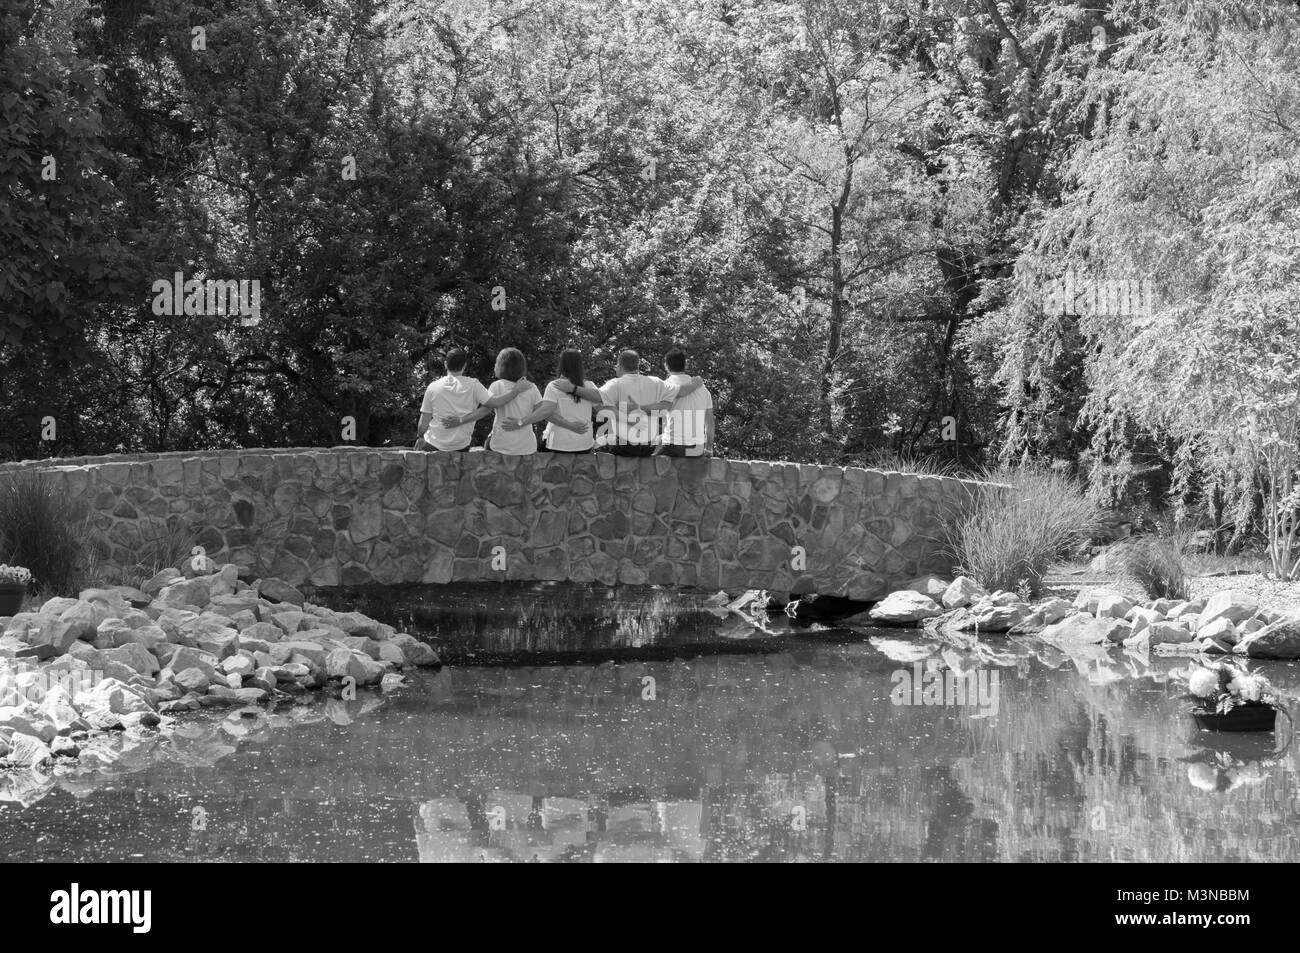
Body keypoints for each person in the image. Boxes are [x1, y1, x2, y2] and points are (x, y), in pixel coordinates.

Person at [555, 349, 702, 456]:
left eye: (616, 365)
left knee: (597, 443)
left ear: (620, 365)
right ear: (637, 365)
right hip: (648, 447)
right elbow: (681, 391)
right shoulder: (655, 382)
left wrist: (573, 388)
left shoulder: (616, 383)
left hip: (624, 446)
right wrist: (696, 383)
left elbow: (596, 396)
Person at [416, 348, 530, 451]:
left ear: (445, 364)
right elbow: (494, 403)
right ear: (465, 365)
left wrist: (420, 436)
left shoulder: (433, 387)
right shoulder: (474, 385)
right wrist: (516, 391)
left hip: (434, 444)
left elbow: (423, 423)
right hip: (460, 446)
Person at [442, 347, 546, 455]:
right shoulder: (531, 387)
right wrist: (521, 422)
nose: (495, 366)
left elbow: (483, 411)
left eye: (497, 363)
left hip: (501, 446)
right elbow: (542, 412)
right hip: (527, 447)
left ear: (503, 366)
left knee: (487, 443)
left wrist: (460, 420)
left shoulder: (497, 386)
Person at [514, 349, 598, 453]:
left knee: (536, 447)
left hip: (558, 444)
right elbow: (602, 402)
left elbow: (545, 412)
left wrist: (519, 422)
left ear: (562, 365)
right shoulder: (589, 386)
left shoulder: (554, 385)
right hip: (584, 445)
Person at [656, 346, 714, 457]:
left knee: (647, 445)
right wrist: (709, 449)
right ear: (685, 365)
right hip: (696, 449)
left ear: (666, 366)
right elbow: (710, 423)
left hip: (673, 447)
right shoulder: (703, 390)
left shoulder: (664, 386)